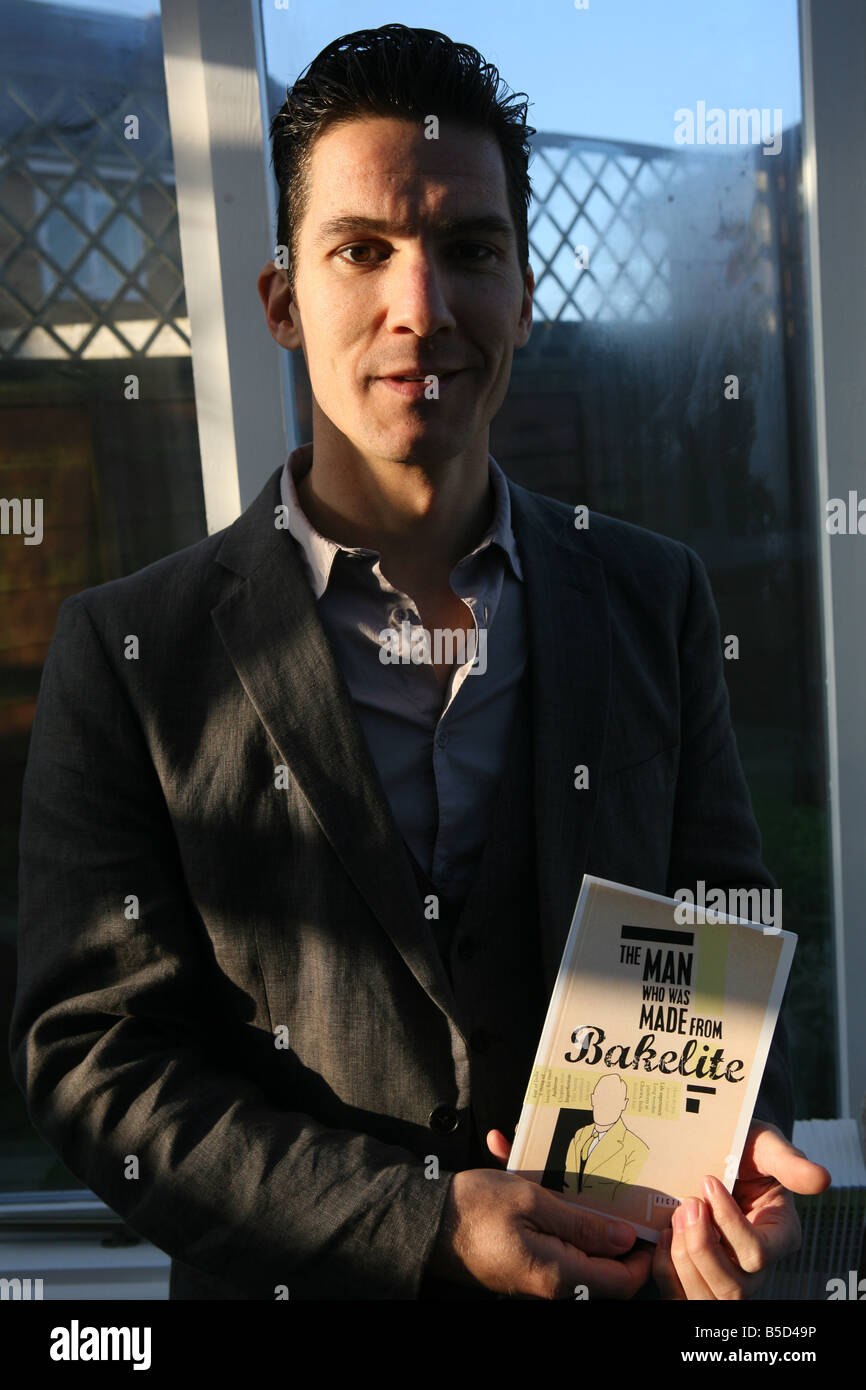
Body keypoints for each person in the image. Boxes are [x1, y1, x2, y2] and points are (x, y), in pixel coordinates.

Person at [10, 24, 829, 1303]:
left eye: (468, 250)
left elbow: (716, 929)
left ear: (522, 286)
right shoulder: (131, 654)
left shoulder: (650, 596)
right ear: (281, 300)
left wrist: (738, 1151)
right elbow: (94, 1063)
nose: (423, 307)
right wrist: (418, 1222)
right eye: (362, 250)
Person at [563, 1076, 649, 1202]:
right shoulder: (580, 1135)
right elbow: (568, 1182)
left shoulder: (637, 1149)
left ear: (624, 1104)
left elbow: (622, 1199)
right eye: (601, 1098)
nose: (605, 1106)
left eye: (613, 1101)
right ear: (593, 1099)